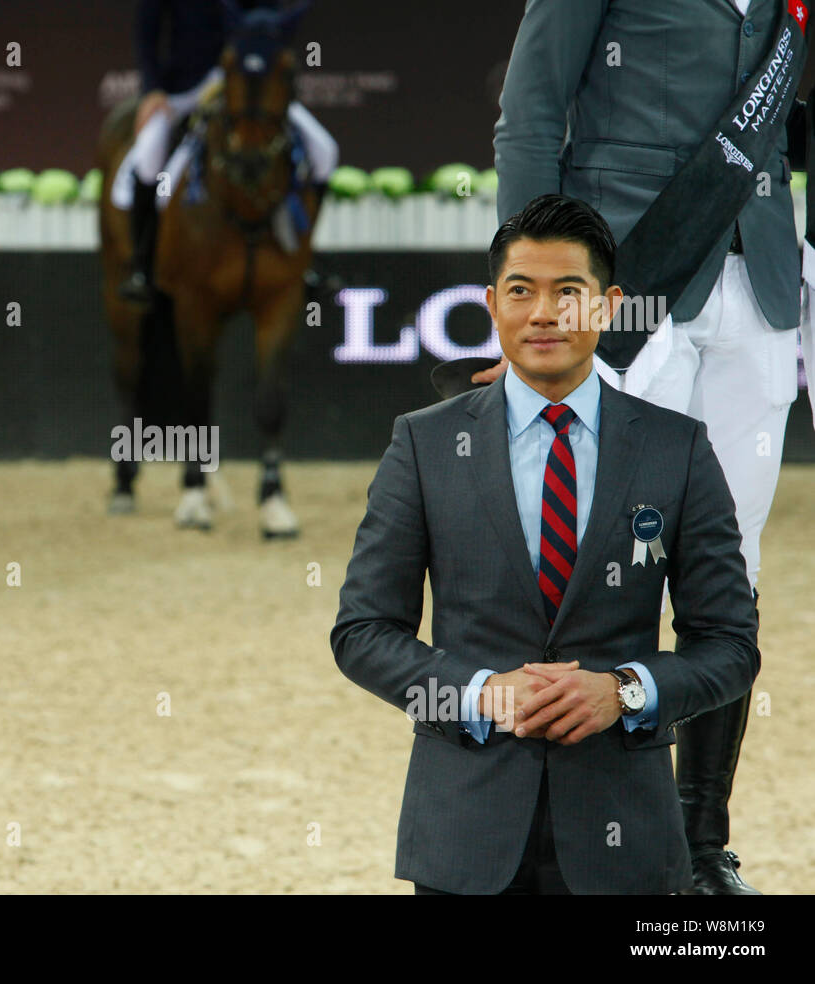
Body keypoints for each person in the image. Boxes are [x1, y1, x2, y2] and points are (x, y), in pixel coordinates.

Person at [331, 195, 760, 895]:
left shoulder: (676, 448)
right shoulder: (423, 443)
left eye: (570, 291)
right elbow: (362, 632)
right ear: (492, 304)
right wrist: (477, 694)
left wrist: (625, 692)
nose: (544, 313)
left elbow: (730, 644)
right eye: (521, 291)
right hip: (465, 838)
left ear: (610, 305)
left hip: (627, 839)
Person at [479, 0, 807, 893]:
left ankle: (700, 849)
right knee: (594, 567)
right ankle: (579, 837)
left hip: (762, 283)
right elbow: (532, 111)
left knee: (728, 574)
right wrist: (532, 283)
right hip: (631, 277)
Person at [115, 0, 338, 302]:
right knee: (148, 160)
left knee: (324, 151)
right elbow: (146, 32)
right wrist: (153, 88)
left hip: (248, 89)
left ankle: (306, 258)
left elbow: (269, 21)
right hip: (186, 88)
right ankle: (144, 265)